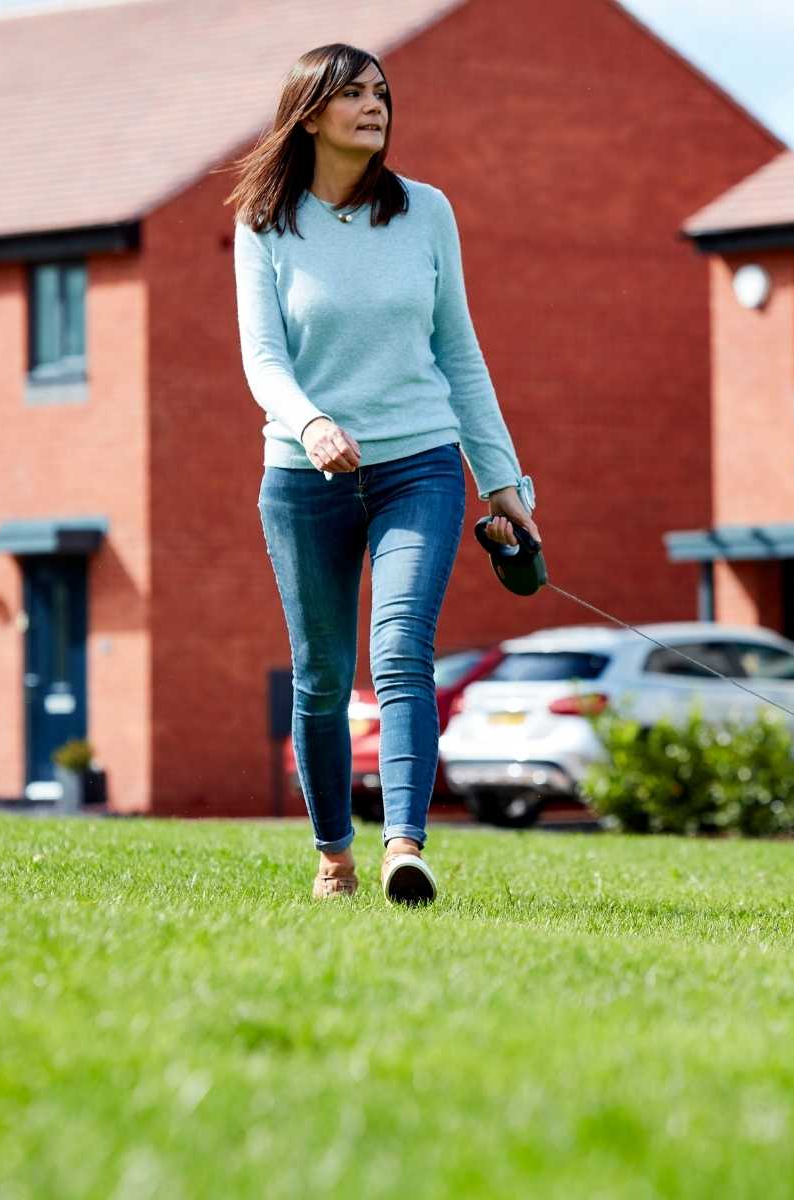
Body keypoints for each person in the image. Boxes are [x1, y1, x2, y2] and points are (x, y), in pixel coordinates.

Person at [227, 43, 542, 904]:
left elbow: (460, 354)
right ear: (311, 112)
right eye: (354, 94)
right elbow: (263, 359)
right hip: (303, 474)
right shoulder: (265, 225)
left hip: (420, 464)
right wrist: (313, 423)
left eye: (382, 93)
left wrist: (501, 478)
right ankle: (335, 854)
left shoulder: (426, 212)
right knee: (323, 675)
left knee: (402, 649)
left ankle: (405, 845)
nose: (375, 106)